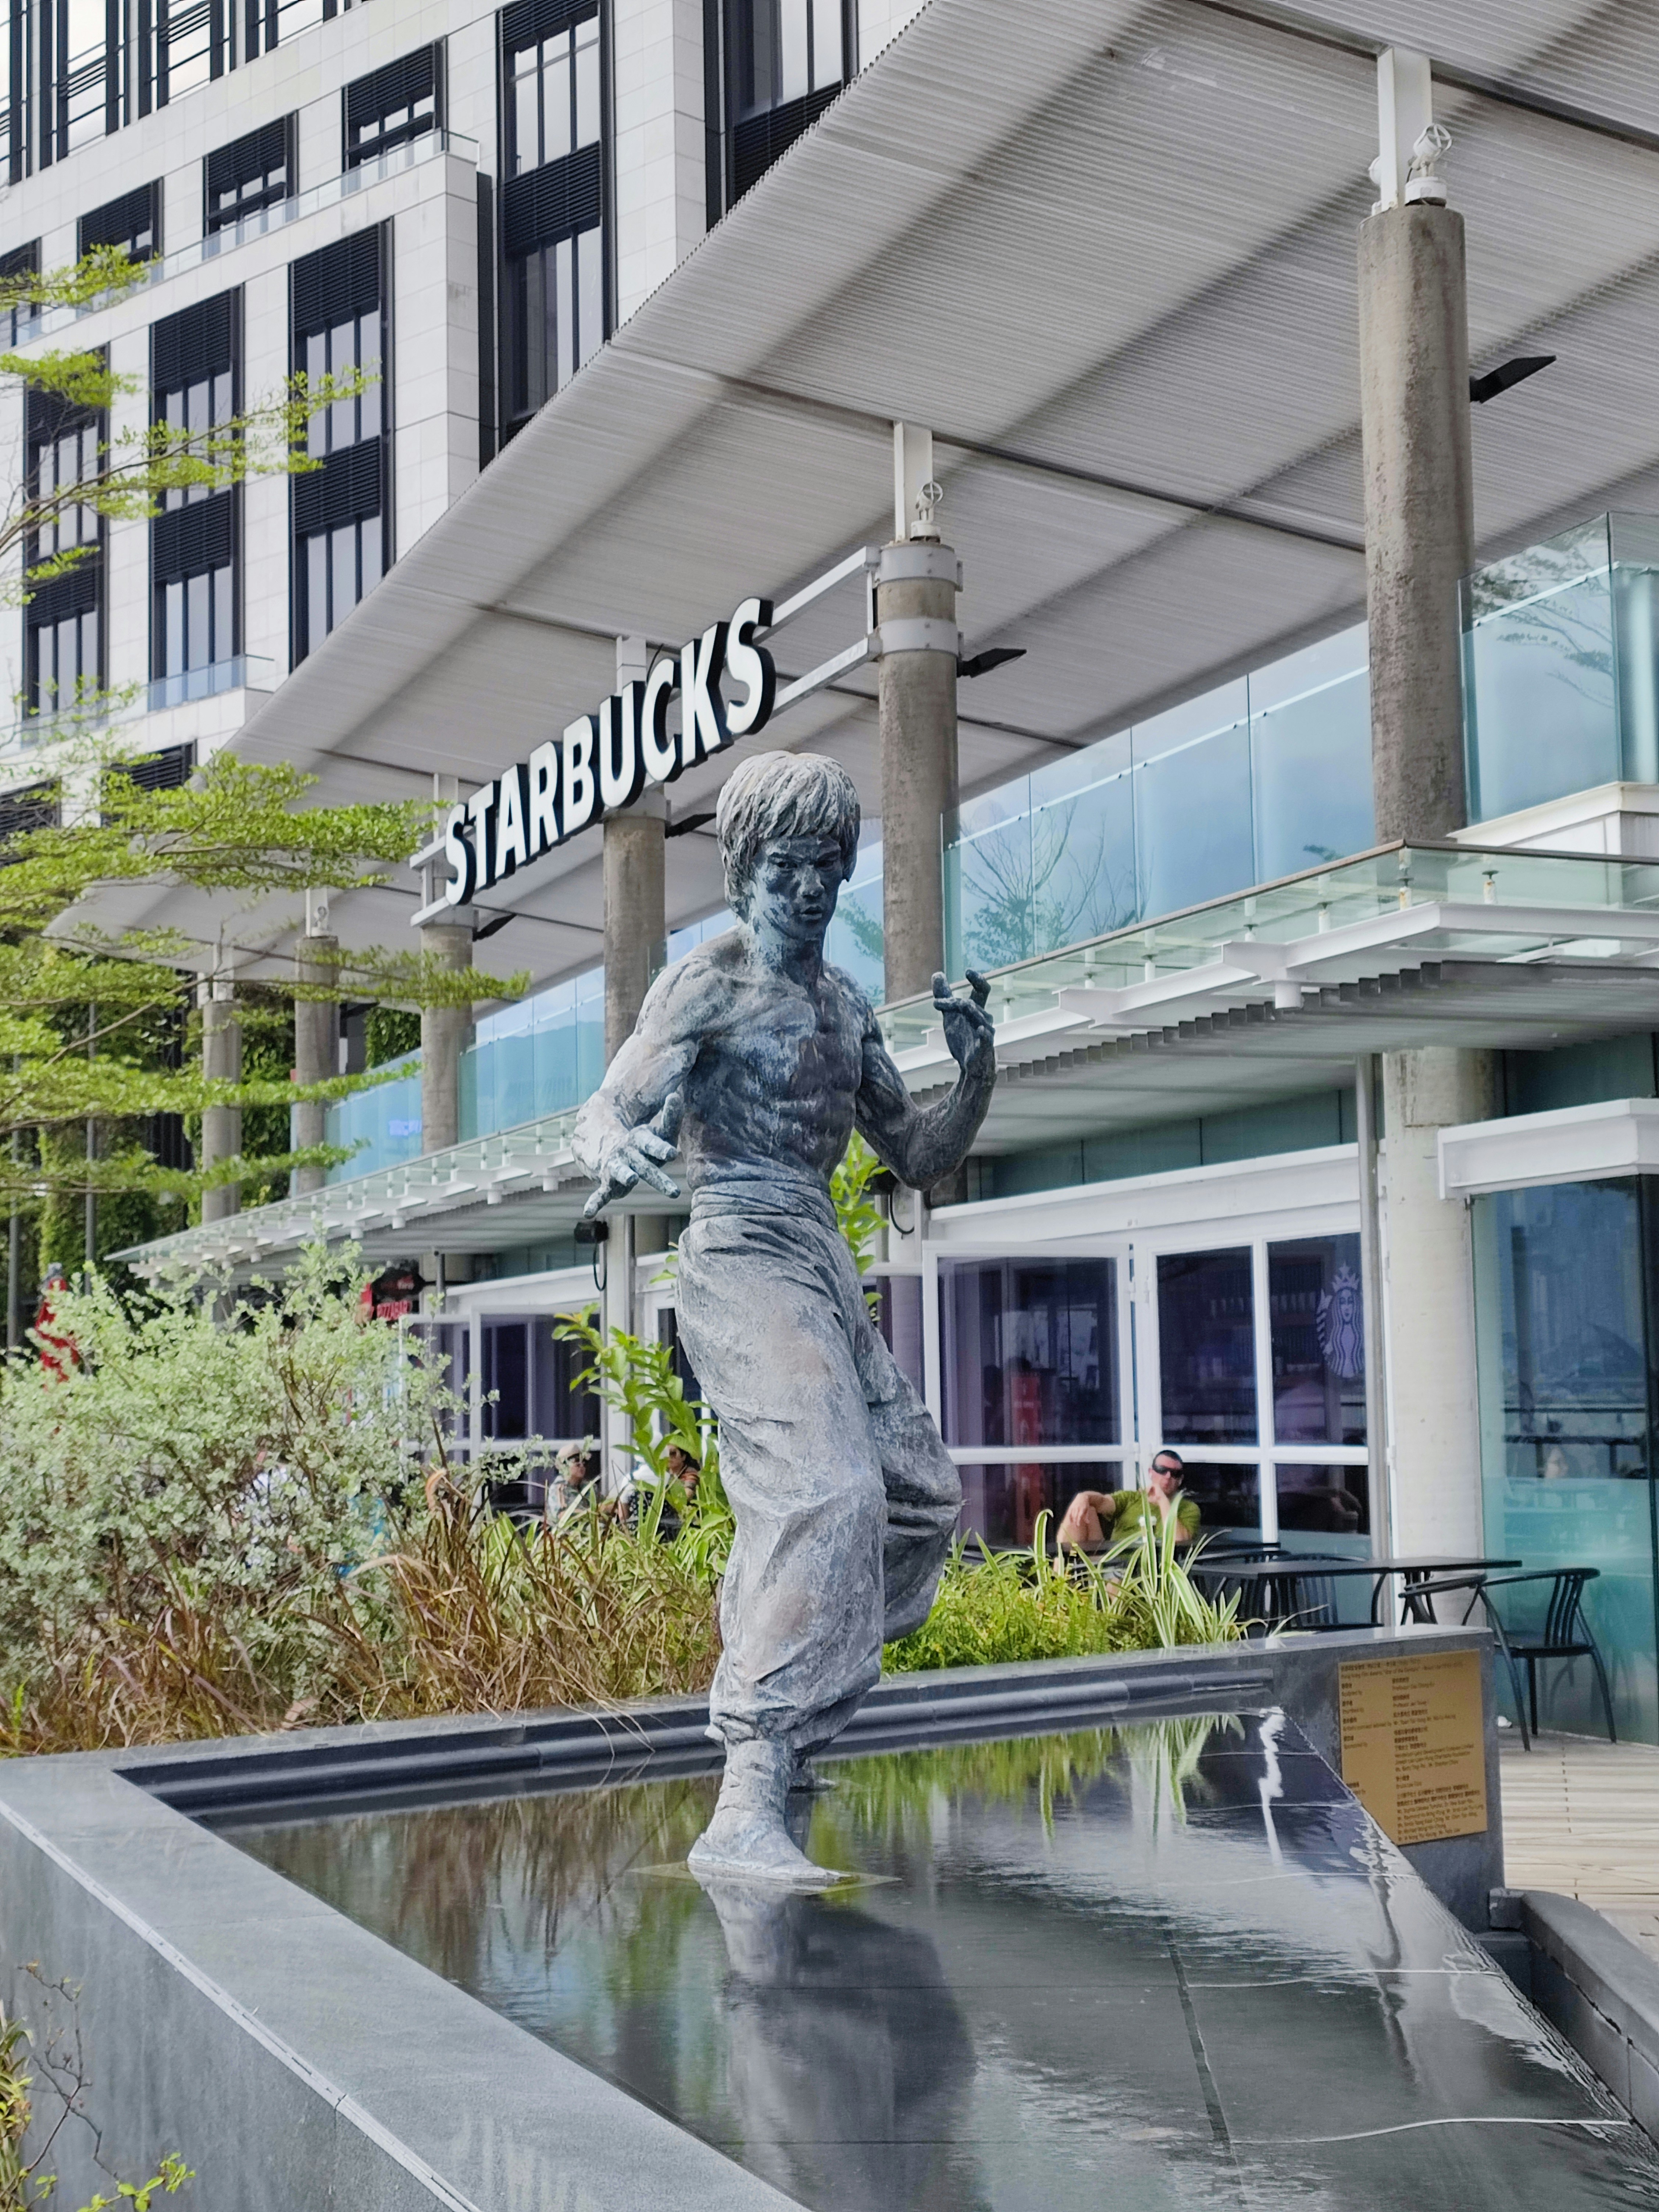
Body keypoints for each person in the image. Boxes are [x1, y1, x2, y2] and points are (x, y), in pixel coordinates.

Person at [574, 750, 996, 1886]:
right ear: (745, 869)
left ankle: (796, 1703)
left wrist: (977, 1070)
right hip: (735, 1249)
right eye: (787, 868)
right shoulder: (703, 983)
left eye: (828, 866)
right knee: (827, 1492)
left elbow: (916, 1155)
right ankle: (749, 1783)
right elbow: (609, 1103)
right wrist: (614, 1143)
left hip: (813, 1245)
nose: (811, 889)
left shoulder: (845, 1007)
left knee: (916, 1498)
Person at [1056, 1449, 1200, 1553]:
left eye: (1175, 1474)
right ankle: (1055, 1586)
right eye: (1162, 1470)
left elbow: (1179, 1541)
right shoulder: (1131, 1498)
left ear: (1180, 1480)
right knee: (1086, 1508)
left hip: (1152, 1574)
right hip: (1111, 1562)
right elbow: (1102, 1502)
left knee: (1117, 1579)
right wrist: (1083, 1497)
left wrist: (1162, 1499)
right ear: (1151, 1472)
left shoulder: (1188, 1508)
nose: (1168, 1477)